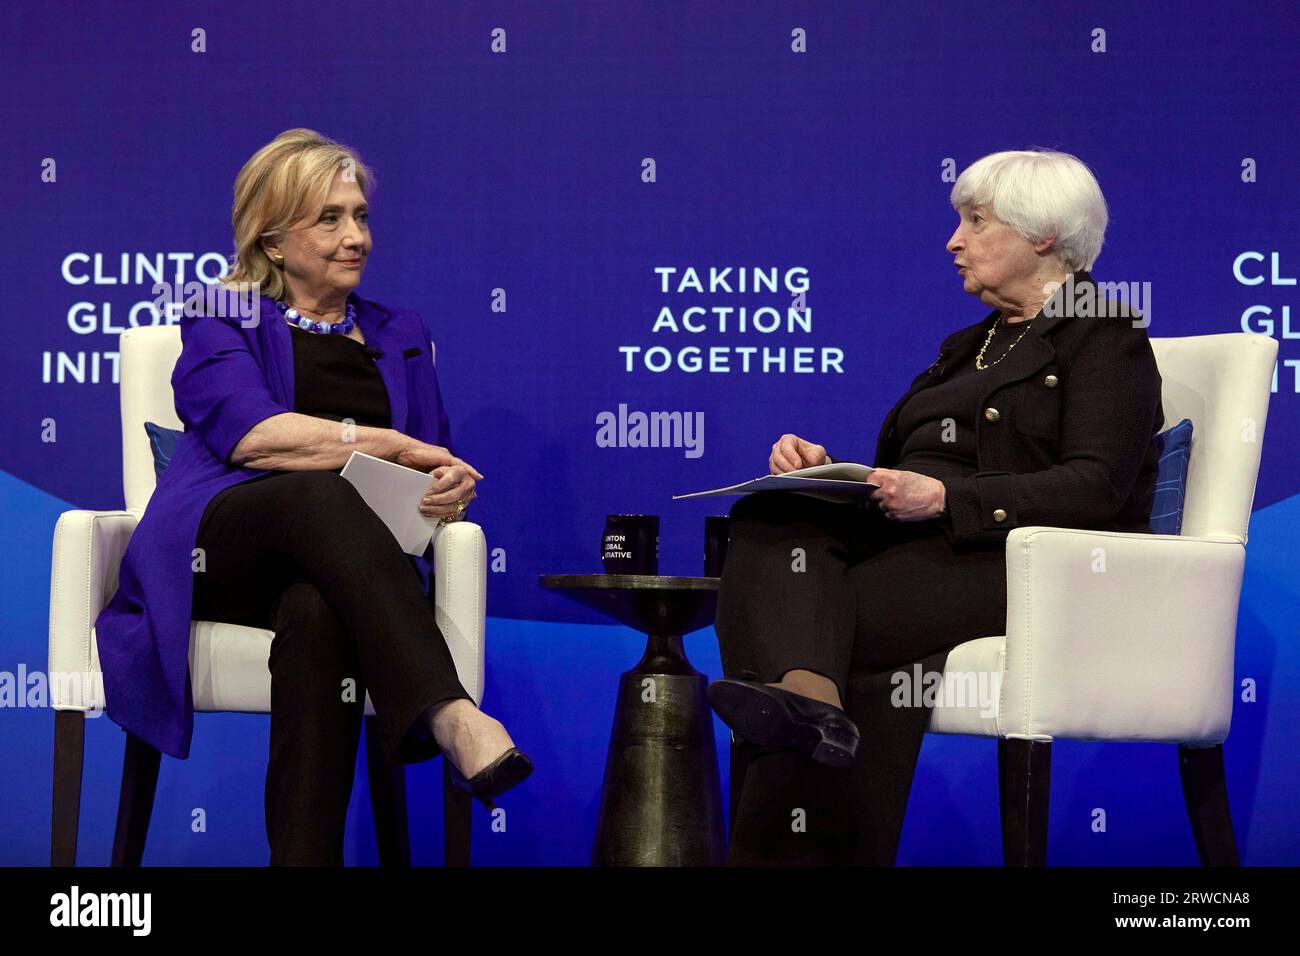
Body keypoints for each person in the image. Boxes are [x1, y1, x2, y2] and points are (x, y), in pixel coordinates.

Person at [707, 149, 1164, 865]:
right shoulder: (969, 346)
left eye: (974, 222)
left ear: (1042, 235)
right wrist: (833, 474)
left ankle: (805, 714)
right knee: (767, 521)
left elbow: (1096, 487)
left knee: (828, 610)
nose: (953, 241)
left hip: (1016, 559)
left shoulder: (1105, 335)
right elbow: (914, 463)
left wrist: (949, 497)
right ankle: (811, 704)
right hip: (916, 537)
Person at [94, 128, 532, 865]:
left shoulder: (402, 333)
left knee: (318, 609)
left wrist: (446, 487)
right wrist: (388, 445)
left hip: (339, 564)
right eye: (328, 219)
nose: (355, 236)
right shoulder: (222, 313)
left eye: (360, 215)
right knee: (317, 496)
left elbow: (432, 459)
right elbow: (253, 438)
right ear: (270, 242)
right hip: (218, 546)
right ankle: (450, 712)